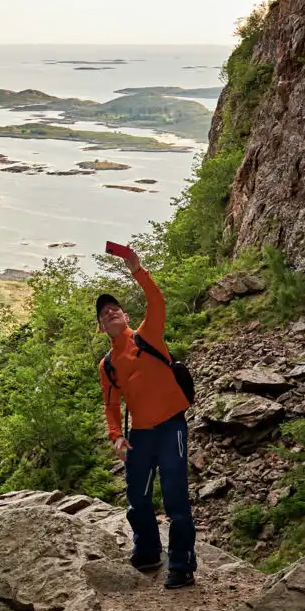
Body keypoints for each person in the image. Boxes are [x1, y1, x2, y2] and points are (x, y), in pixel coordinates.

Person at [96, 244, 197, 588]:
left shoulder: (147, 335)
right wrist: (116, 435)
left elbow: (157, 300)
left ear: (125, 316)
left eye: (114, 309)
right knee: (137, 497)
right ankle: (148, 550)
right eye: (103, 313)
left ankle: (181, 565)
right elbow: (111, 405)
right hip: (139, 435)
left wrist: (137, 270)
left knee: (174, 495)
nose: (109, 312)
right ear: (100, 327)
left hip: (171, 427)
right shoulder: (107, 365)